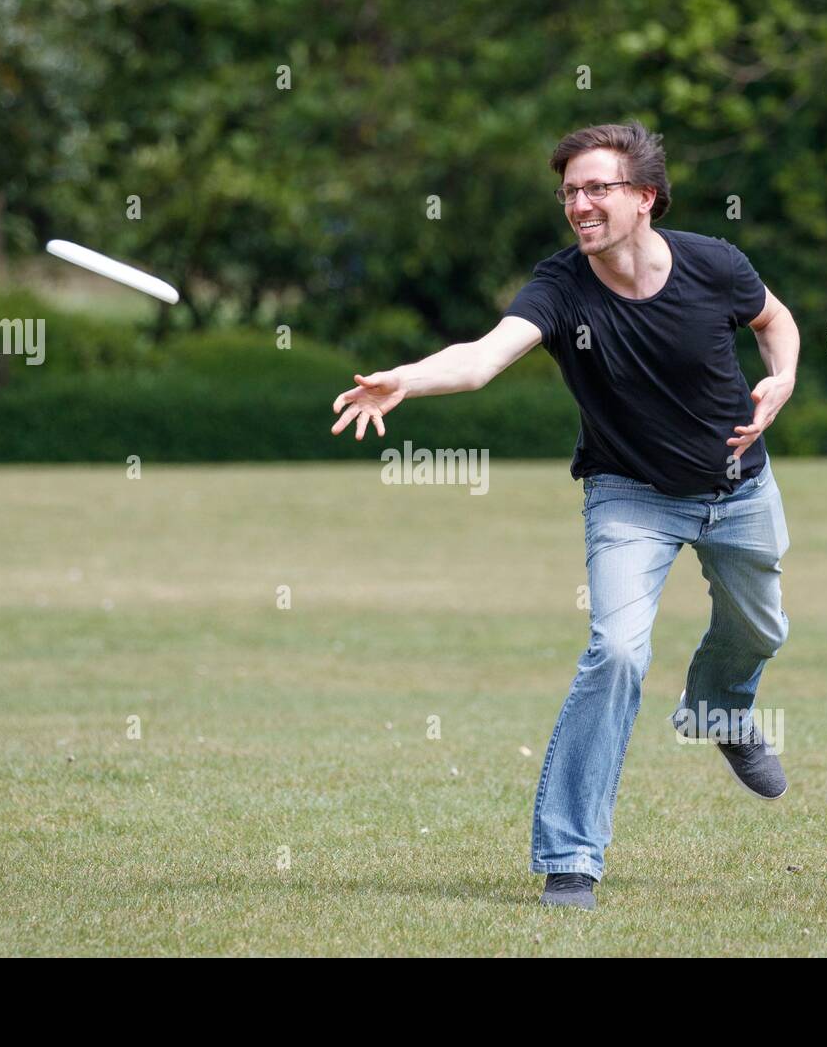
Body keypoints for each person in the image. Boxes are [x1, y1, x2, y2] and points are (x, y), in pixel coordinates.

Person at [330, 121, 800, 911]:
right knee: (615, 650)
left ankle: (720, 708)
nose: (580, 204)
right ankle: (572, 857)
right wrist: (406, 379)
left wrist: (782, 380)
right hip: (630, 497)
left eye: (597, 189)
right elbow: (483, 357)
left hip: (739, 486)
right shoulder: (561, 286)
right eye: (570, 192)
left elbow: (773, 321)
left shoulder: (715, 264)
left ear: (644, 197)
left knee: (761, 630)